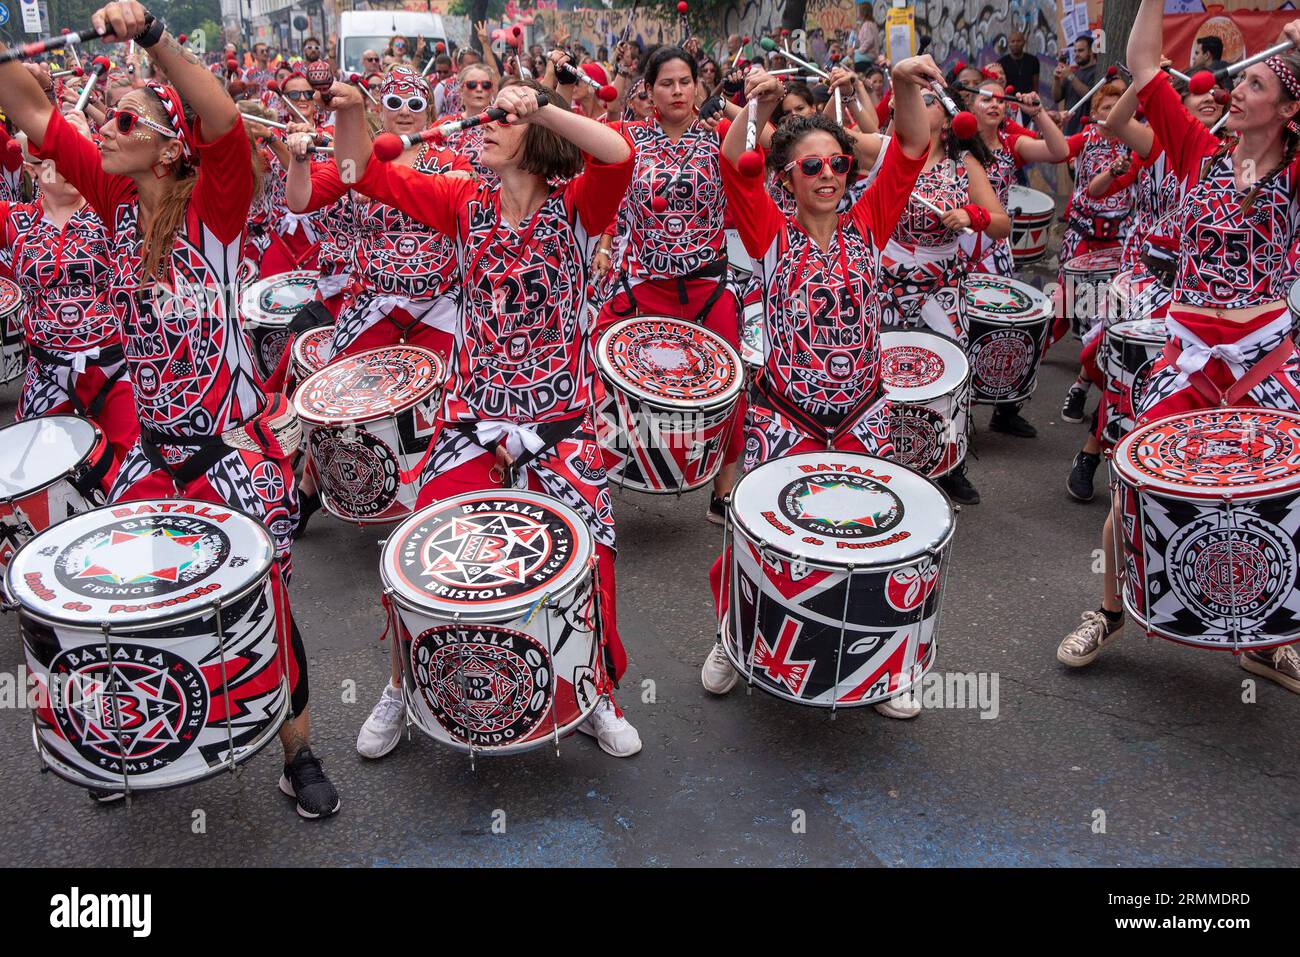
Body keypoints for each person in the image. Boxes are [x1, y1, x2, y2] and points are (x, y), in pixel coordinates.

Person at [0, 1, 340, 815]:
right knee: (118, 600)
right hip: (152, 455)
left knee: (264, 606)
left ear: (168, 145)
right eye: (106, 119)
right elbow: (30, 106)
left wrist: (152, 35)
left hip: (233, 455)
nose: (106, 130)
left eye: (126, 119)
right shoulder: (115, 206)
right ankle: (134, 743)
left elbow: (221, 119)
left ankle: (297, 753)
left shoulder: (216, 210)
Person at [328, 75, 646, 758]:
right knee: (415, 558)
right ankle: (401, 686)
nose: (489, 123)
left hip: (560, 421)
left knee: (596, 560)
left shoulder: (578, 208)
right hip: (470, 418)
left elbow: (616, 153)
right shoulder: (461, 200)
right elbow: (360, 176)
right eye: (489, 113)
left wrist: (550, 104)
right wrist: (351, 112)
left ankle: (594, 690)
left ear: (538, 134)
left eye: (506, 115)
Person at [1056, 0, 1300, 695]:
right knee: (1132, 480)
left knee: (1287, 494)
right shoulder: (1197, 150)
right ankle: (1109, 612)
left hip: (1268, 359)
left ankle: (1272, 641)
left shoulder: (1294, 176)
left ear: (1288, 110)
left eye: (1257, 84)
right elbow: (1142, 63)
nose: (1239, 88)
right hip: (1189, 352)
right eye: (1242, 82)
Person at [699, 57, 935, 717]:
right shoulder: (768, 233)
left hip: (862, 414)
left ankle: (885, 660)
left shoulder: (870, 224)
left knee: (873, 538)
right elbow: (729, 160)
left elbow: (912, 148)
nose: (829, 174)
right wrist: (760, 108)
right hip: (786, 415)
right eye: (811, 167)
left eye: (837, 164)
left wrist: (908, 86)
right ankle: (735, 632)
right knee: (762, 535)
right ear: (785, 178)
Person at [595, 46, 744, 522]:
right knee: (593, 370)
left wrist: (744, 102)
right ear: (649, 91)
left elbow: (775, 141)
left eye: (686, 82)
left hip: (708, 287)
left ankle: (722, 492)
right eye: (667, 83)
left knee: (731, 390)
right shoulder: (627, 141)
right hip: (643, 285)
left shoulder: (720, 141)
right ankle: (594, 474)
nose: (678, 91)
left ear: (699, 88)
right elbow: (600, 191)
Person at [1063, 73, 1224, 502]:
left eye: (1214, 95)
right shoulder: (1154, 145)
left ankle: (1175, 477)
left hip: (1202, 289)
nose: (1208, 99)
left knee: (1176, 381)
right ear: (1176, 107)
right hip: (1145, 273)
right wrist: (1148, 78)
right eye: (1197, 95)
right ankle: (1092, 451)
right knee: (1118, 364)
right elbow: (1116, 123)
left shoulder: (1232, 154)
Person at [878, 83, 1011, 505]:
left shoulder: (963, 164)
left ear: (948, 117)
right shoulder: (888, 154)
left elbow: (1002, 225)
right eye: (912, 99)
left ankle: (950, 463)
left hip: (941, 284)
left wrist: (973, 213)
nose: (918, 106)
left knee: (950, 372)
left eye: (929, 100)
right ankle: (884, 456)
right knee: (884, 371)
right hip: (888, 280)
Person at [0, 114, 136, 482]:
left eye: (77, 157)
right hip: (47, 372)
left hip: (115, 368)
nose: (69, 169)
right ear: (32, 170)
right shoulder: (13, 221)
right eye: (55, 163)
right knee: (36, 479)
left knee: (131, 479)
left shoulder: (113, 212)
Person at [1052, 33, 1099, 134]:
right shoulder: (1073, 73)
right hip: (1068, 130)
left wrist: (1070, 76)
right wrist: (1056, 79)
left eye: (1081, 50)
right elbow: (1056, 98)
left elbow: (1089, 96)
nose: (1077, 54)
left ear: (1091, 51)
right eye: (1075, 51)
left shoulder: (1096, 72)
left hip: (1086, 131)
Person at [998, 31, 1040, 99]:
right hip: (1009, 100)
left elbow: (1035, 85)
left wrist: (1034, 99)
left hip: (1027, 100)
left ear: (1024, 42)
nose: (1015, 44)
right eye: (1013, 41)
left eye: (1018, 41)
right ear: (1008, 44)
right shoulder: (1001, 63)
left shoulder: (1033, 61)